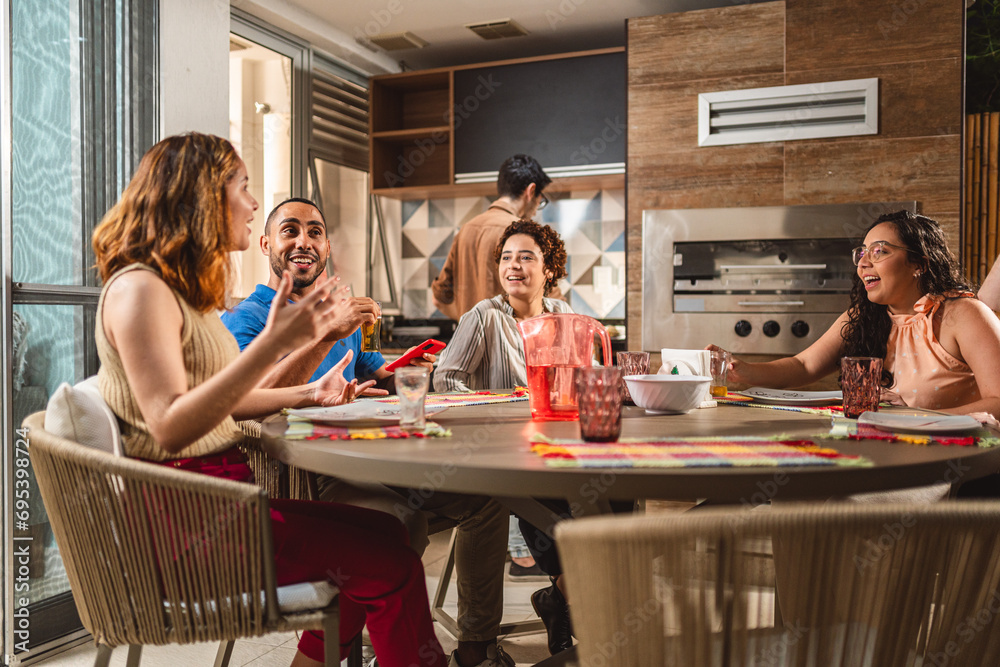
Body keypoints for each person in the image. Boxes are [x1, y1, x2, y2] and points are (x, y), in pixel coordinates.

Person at [90, 132, 445, 667]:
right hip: (192, 525)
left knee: (389, 532)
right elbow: (168, 424)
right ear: (202, 195)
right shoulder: (140, 290)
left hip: (222, 505)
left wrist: (307, 390)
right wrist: (283, 340)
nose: (253, 203)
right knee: (391, 565)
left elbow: (221, 403)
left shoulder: (175, 292)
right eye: (243, 188)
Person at [223, 197, 512, 667]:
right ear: (265, 243)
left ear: (327, 246)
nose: (304, 241)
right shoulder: (248, 316)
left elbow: (375, 375)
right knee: (397, 523)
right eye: (289, 230)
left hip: (375, 454)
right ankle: (388, 645)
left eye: (314, 231)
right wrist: (330, 334)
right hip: (308, 470)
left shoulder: (341, 314)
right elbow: (246, 400)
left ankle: (476, 644)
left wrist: (409, 371)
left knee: (485, 498)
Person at [433, 220, 581, 656]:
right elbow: (445, 380)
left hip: (557, 445)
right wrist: (498, 405)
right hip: (503, 453)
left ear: (549, 268)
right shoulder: (484, 317)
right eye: (506, 257)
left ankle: (561, 599)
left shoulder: (563, 315)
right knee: (546, 498)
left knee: (615, 495)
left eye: (526, 257)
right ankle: (577, 601)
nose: (513, 266)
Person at [709, 210, 1000, 418]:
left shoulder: (962, 314)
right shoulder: (865, 316)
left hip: (952, 458)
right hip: (884, 450)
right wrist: (742, 369)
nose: (863, 264)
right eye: (861, 253)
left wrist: (915, 416)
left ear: (919, 264)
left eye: (879, 252)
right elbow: (803, 365)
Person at [431, 155, 554, 321]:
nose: (536, 209)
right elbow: (553, 305)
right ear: (531, 191)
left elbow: (439, 299)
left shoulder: (466, 230)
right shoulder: (526, 235)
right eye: (541, 200)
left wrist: (470, 322)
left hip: (471, 346)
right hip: (512, 345)